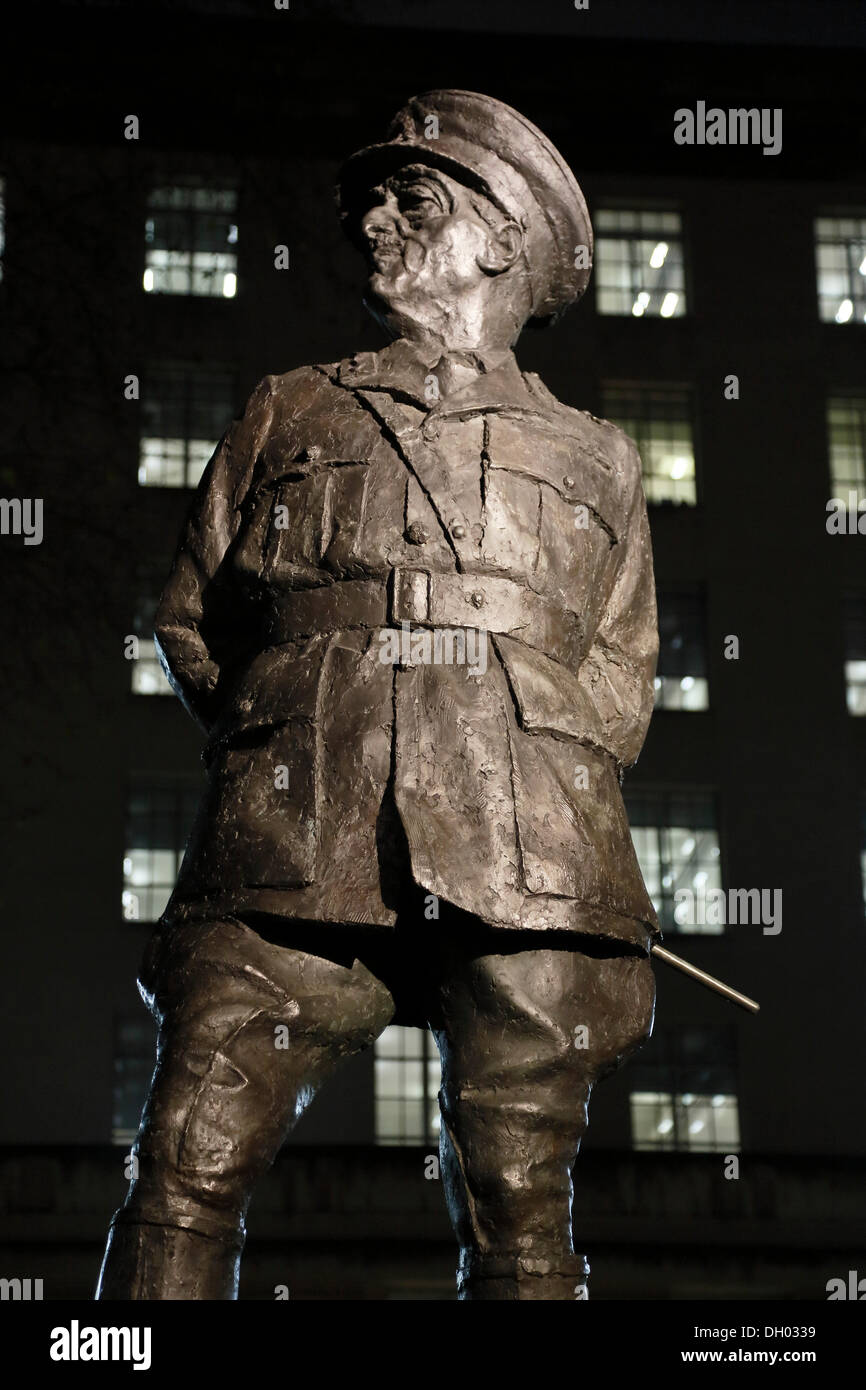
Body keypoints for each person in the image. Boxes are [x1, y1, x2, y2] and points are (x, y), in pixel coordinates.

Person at [97, 89, 660, 1302]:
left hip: (531, 862)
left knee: (520, 1205)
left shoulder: (598, 456)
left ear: (504, 237)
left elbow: (620, 679)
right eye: (369, 199)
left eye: (413, 196)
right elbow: (192, 617)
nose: (373, 221)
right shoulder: (287, 407)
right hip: (290, 839)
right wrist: (285, 727)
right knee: (184, 1161)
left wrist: (521, 759)